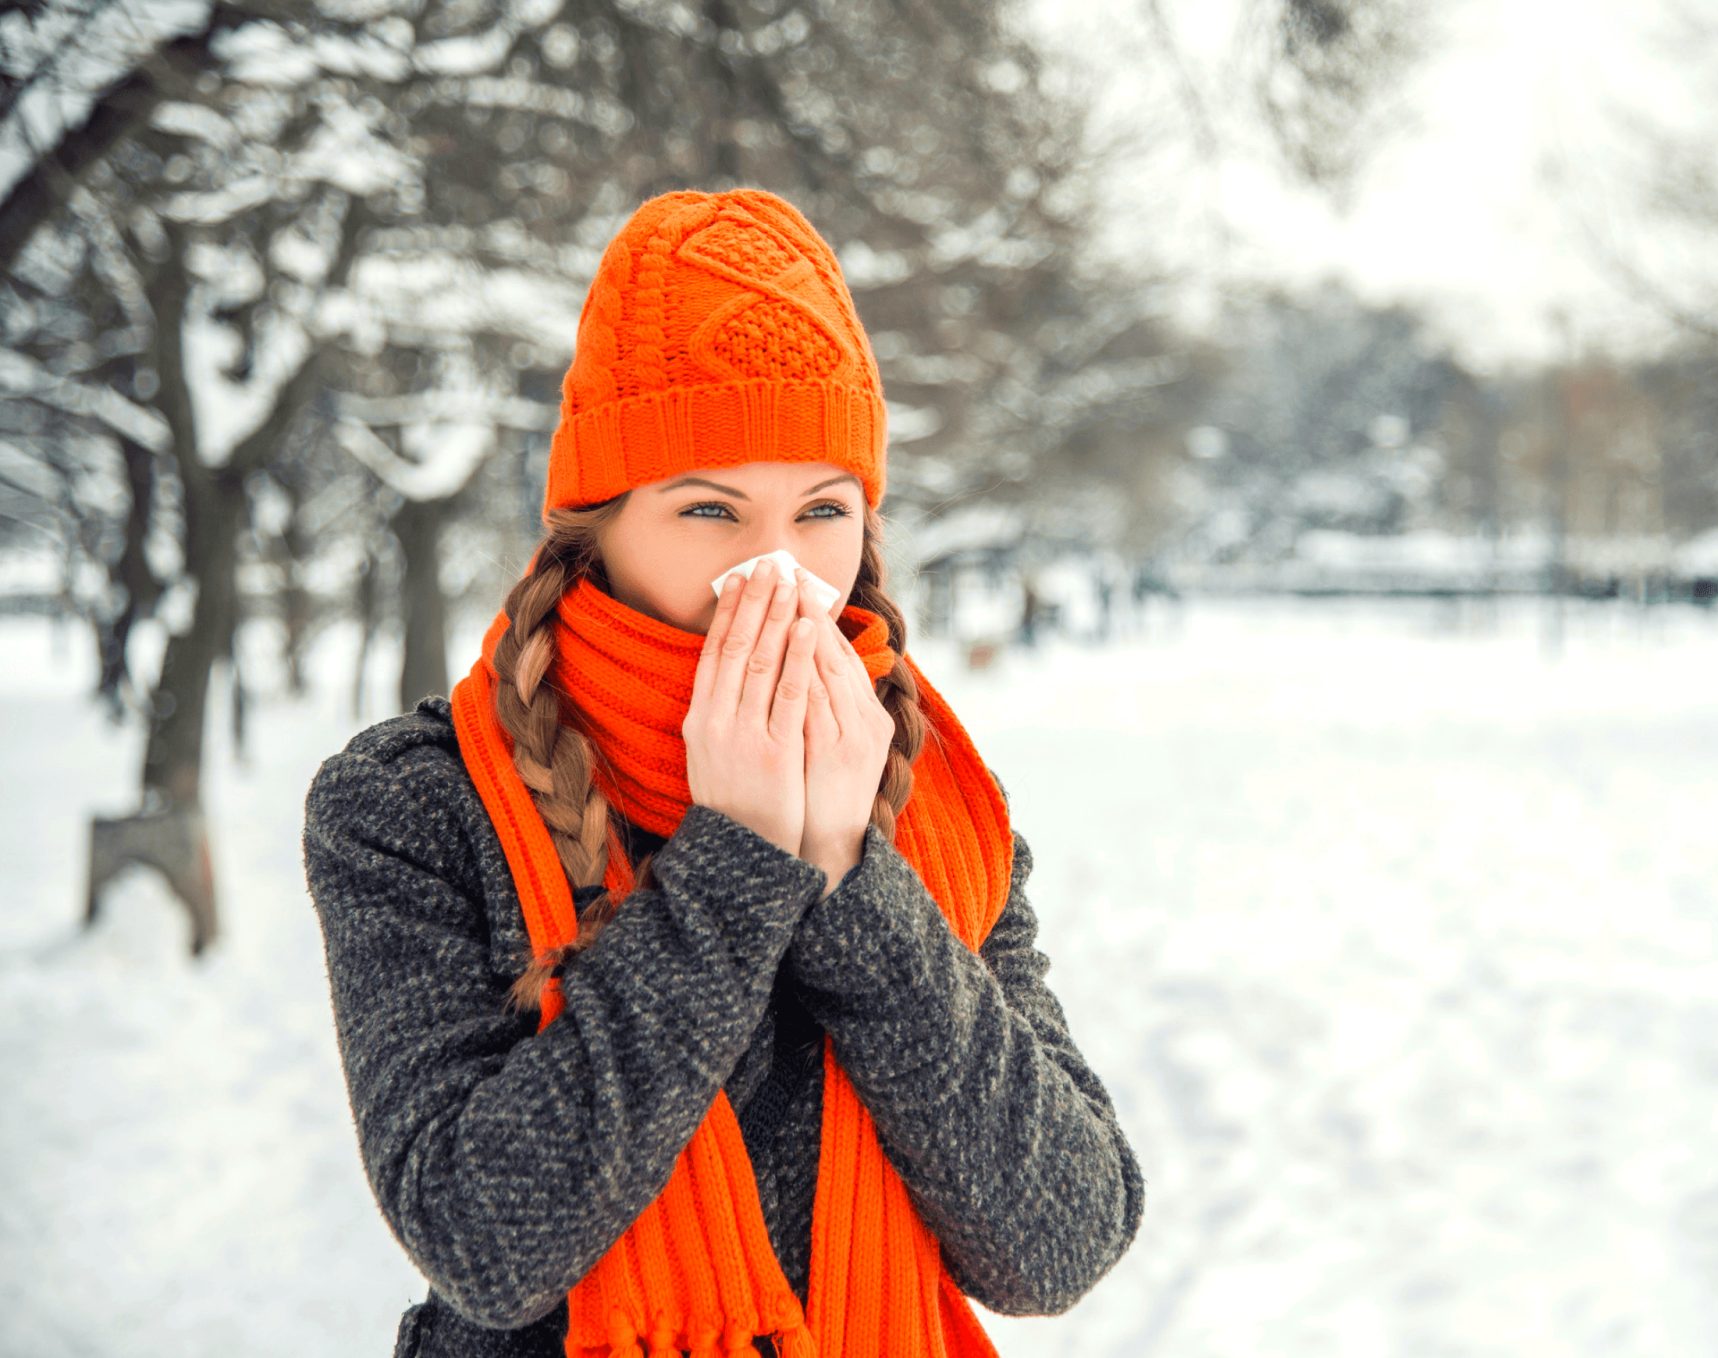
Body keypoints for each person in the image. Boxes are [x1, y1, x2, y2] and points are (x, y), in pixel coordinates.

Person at [301, 188, 1145, 1358]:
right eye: (709, 506)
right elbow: (483, 1240)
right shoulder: (415, 802)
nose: (781, 572)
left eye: (820, 510)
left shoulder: (937, 802)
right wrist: (740, 859)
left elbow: (1061, 1238)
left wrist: (851, 876)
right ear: (594, 526)